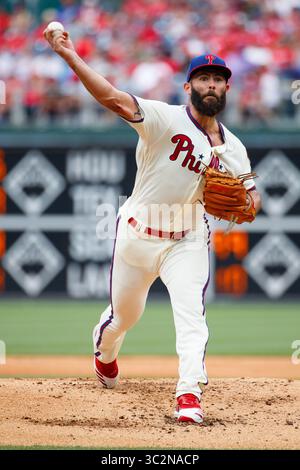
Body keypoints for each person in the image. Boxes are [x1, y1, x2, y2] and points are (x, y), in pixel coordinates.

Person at [44, 28, 261, 424]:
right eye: (203, 78)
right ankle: (104, 352)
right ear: (188, 85)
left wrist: (246, 203)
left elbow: (251, 199)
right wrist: (70, 57)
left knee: (192, 316)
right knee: (123, 319)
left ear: (226, 87)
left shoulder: (234, 148)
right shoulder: (164, 118)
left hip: (188, 239)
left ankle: (189, 394)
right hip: (138, 234)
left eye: (217, 79)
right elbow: (111, 97)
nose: (210, 85)